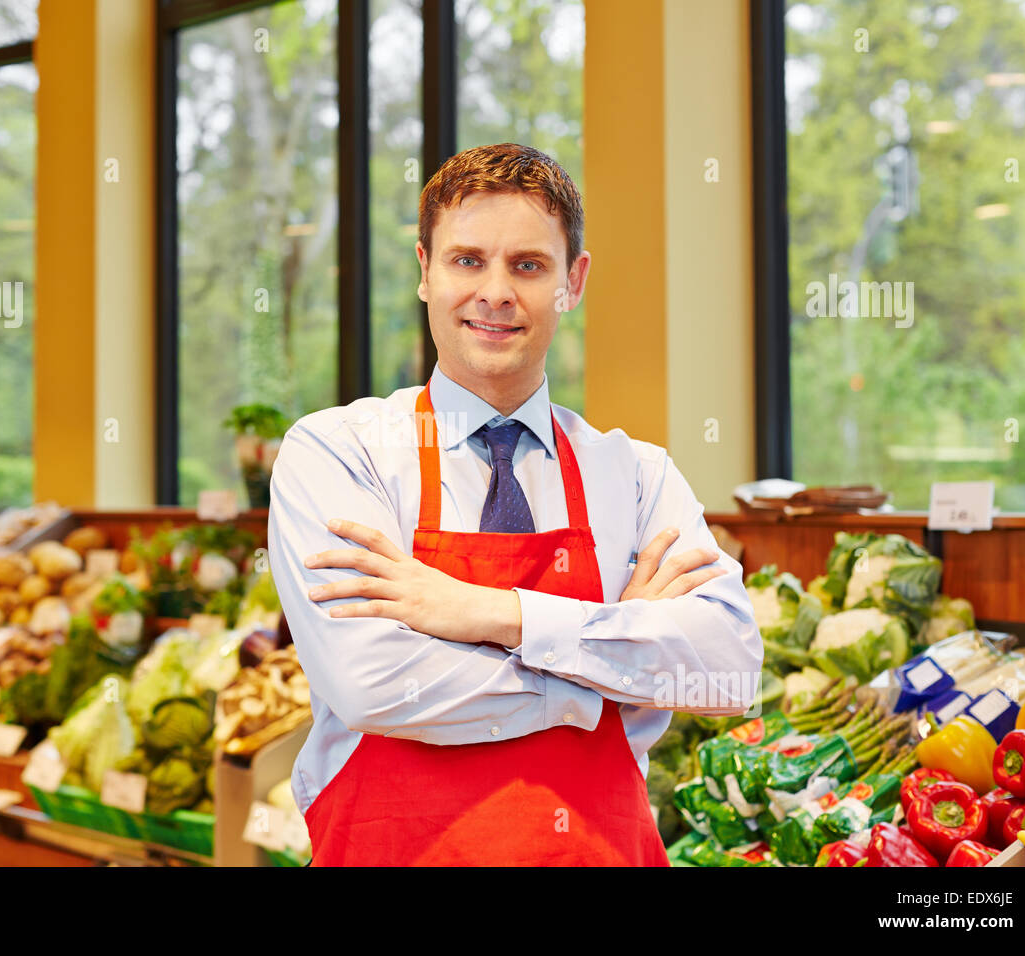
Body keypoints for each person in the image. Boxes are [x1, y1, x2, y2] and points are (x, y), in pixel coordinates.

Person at [267, 143, 762, 866]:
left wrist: (489, 615)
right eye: (468, 260)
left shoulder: (633, 473)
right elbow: (372, 683)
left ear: (573, 281)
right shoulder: (342, 452)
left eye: (528, 266)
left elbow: (726, 669)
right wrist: (603, 680)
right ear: (424, 273)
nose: (496, 292)